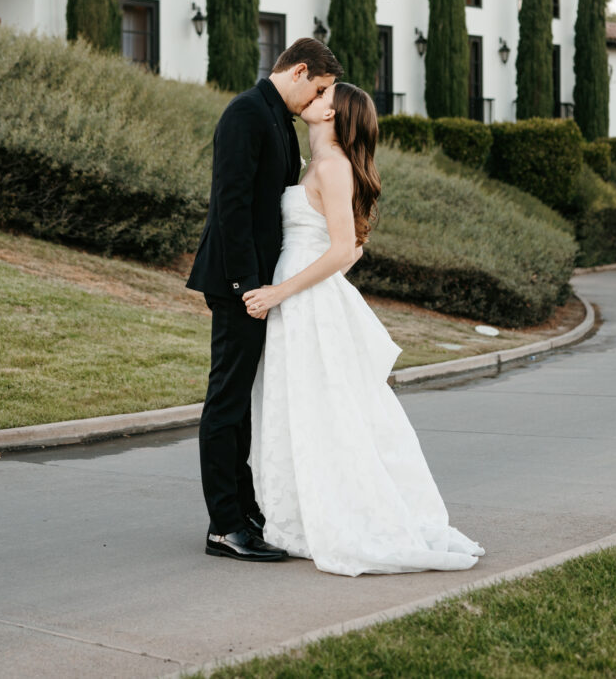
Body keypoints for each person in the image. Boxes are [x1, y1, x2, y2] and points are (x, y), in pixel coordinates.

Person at [241, 82, 484, 576]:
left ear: (331, 111)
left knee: (321, 407)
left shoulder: (332, 167)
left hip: (301, 299)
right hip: (305, 293)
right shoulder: (319, 163)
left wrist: (278, 292)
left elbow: (339, 248)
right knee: (303, 404)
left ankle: (333, 516)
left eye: (321, 93)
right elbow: (351, 250)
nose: (311, 95)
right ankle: (300, 513)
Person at [187, 38, 341, 562]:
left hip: (258, 285)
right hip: (238, 283)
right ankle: (223, 526)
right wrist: (245, 287)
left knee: (242, 405)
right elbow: (229, 205)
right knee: (226, 402)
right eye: (319, 88)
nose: (319, 101)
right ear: (299, 71)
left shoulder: (278, 118)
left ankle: (245, 509)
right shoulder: (245, 113)